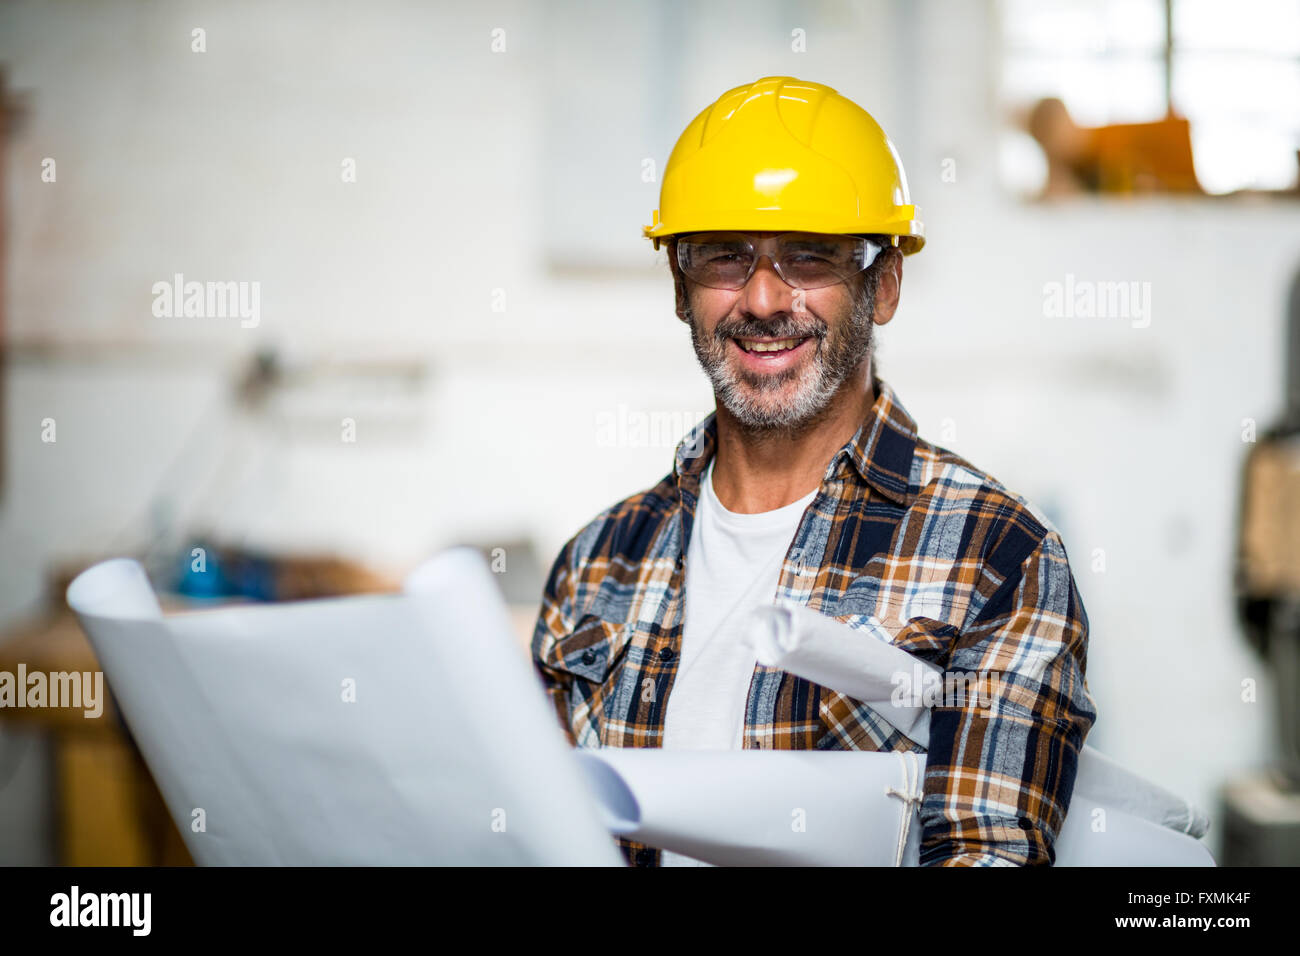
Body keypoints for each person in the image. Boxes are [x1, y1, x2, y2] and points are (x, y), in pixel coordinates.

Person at [531, 75, 1098, 867]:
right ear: (678, 286)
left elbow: (985, 854)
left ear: (885, 283)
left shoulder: (997, 557)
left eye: (809, 257)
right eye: (723, 256)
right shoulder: (596, 564)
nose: (762, 299)